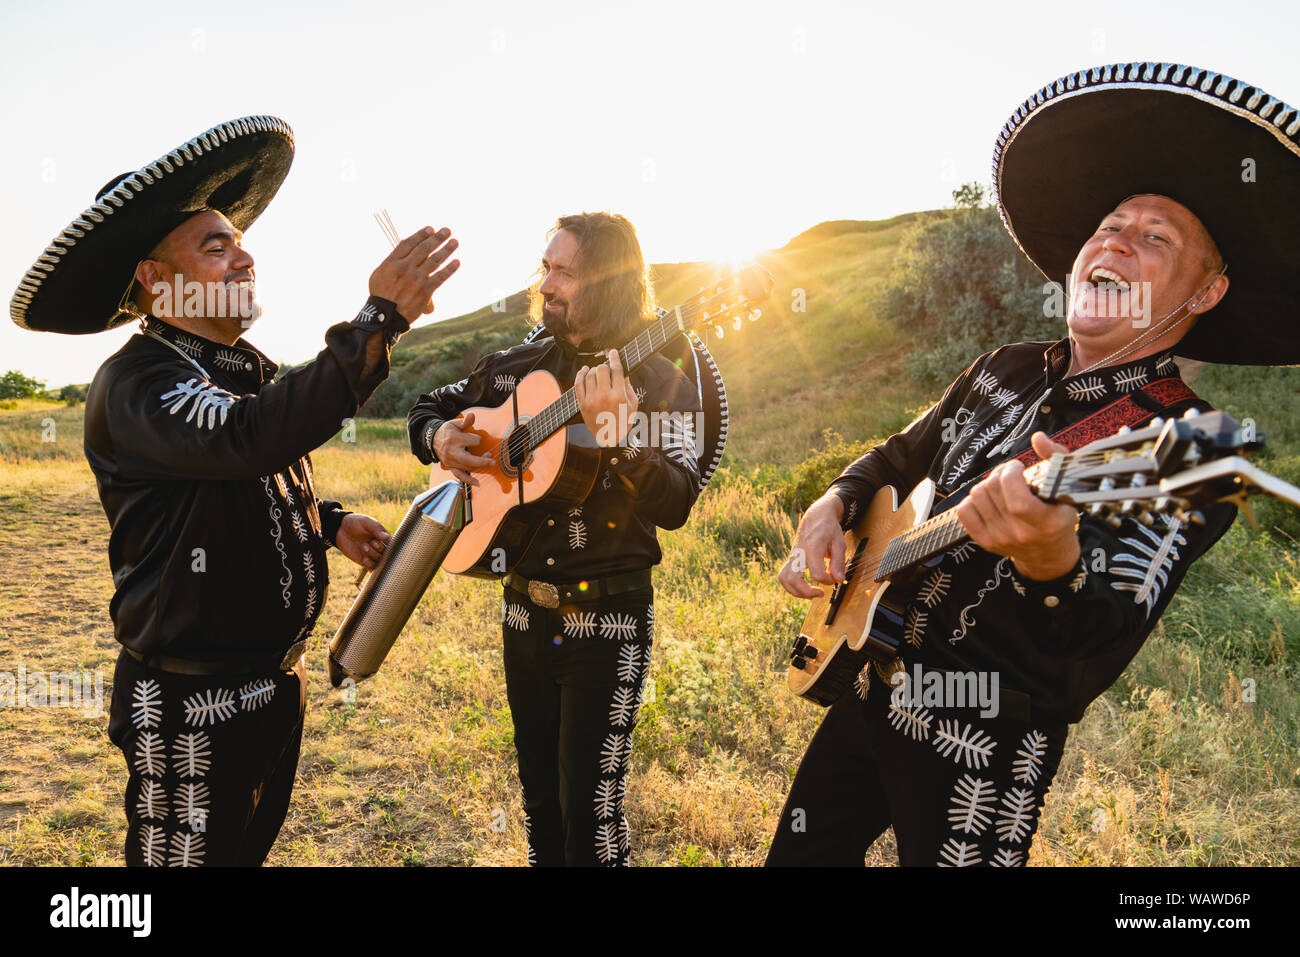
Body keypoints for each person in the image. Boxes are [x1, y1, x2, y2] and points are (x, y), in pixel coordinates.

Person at [766, 61, 1300, 866]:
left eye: (1156, 238)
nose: (1117, 238)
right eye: (1111, 224)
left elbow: (1093, 648)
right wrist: (831, 504)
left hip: (984, 741)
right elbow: (894, 458)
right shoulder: (1000, 366)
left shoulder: (1193, 443)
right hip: (867, 691)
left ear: (1206, 292)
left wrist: (1052, 556)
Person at [9, 115, 459, 865]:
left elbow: (247, 469)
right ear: (155, 279)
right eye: (214, 246)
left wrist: (329, 521)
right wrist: (380, 318)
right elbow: (243, 438)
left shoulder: (240, 371)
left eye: (240, 240)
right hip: (188, 711)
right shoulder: (138, 381)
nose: (244, 256)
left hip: (272, 698)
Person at [407, 212, 703, 865]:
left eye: (562, 270)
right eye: (546, 268)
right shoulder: (517, 367)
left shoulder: (660, 376)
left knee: (591, 818)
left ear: (605, 278)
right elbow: (428, 405)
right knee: (542, 808)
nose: (547, 283)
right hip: (522, 613)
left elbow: (678, 499)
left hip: (610, 619)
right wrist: (438, 437)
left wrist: (622, 443)